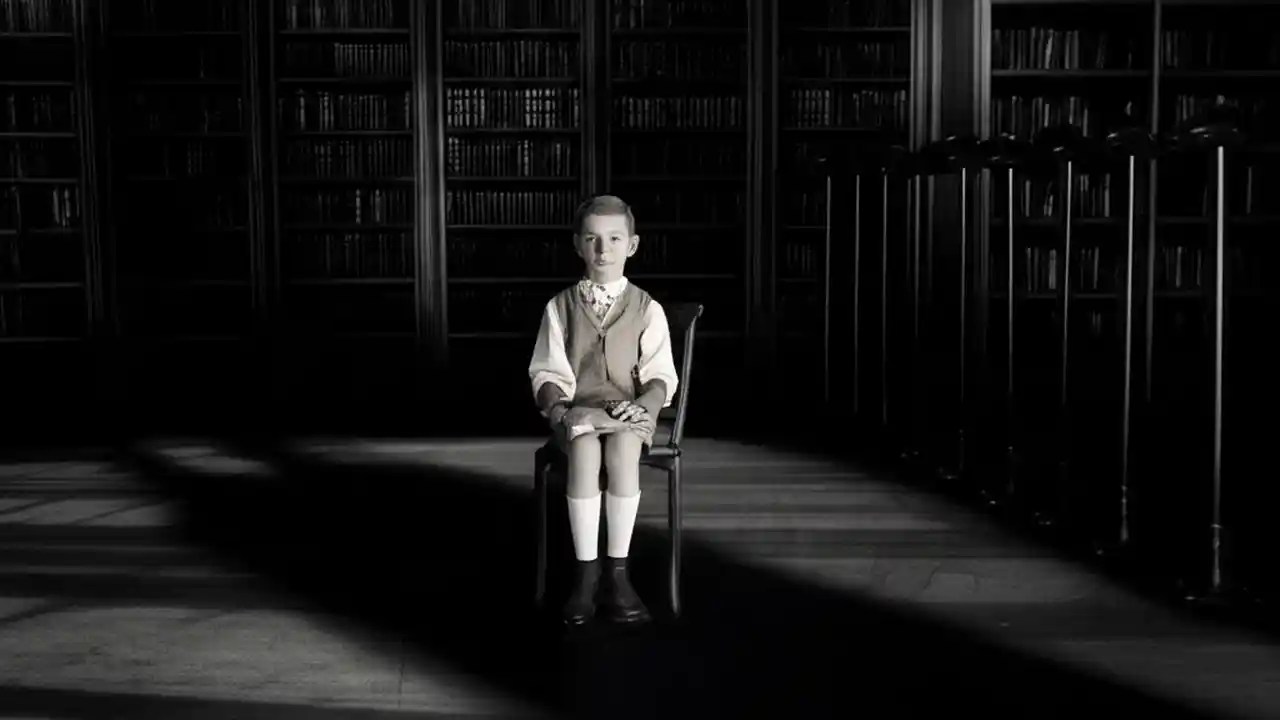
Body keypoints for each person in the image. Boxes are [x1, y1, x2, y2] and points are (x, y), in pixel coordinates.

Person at [527, 194, 679, 627]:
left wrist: (642, 408)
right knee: (587, 447)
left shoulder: (648, 309)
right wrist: (559, 409)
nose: (602, 249)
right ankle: (586, 577)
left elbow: (659, 377)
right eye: (592, 239)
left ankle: (619, 574)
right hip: (577, 413)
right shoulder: (560, 308)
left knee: (623, 449)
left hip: (630, 413)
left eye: (613, 239)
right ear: (578, 244)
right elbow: (547, 372)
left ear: (631, 245)